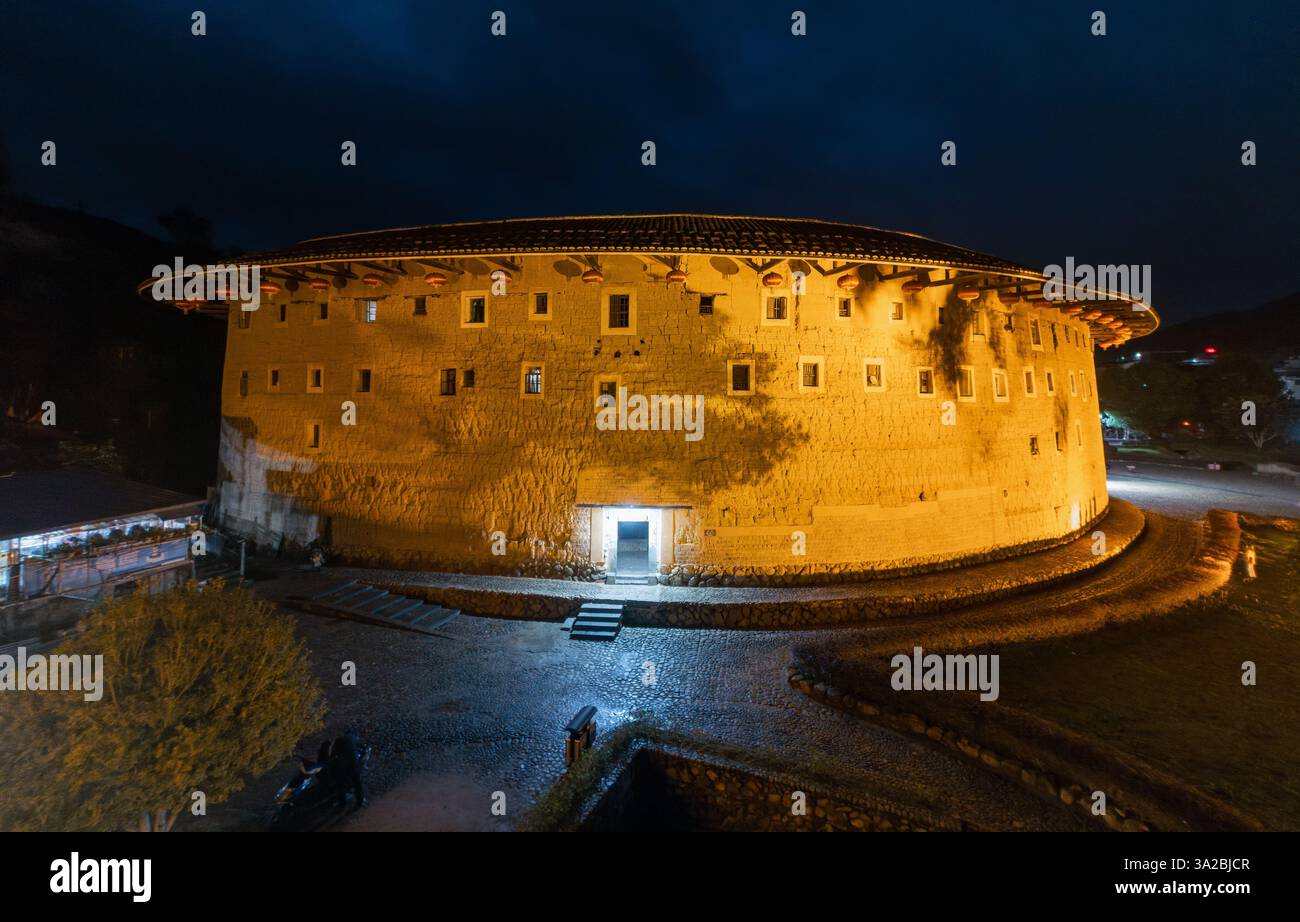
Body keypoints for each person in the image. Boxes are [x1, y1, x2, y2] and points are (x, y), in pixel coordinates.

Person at [331, 730, 367, 809]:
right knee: (357, 784)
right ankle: (360, 802)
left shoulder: (339, 740)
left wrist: (333, 759)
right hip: (354, 765)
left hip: (342, 766)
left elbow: (333, 753)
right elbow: (363, 748)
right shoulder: (354, 738)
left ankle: (342, 804)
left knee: (341, 785)